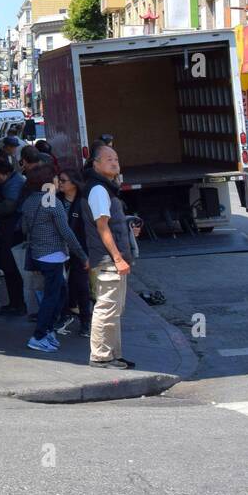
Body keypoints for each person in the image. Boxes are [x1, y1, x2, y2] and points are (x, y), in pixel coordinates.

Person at [21, 163, 89, 353]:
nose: (57, 181)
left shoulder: (29, 201)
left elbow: (25, 229)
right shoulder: (52, 202)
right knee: (53, 297)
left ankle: (48, 331)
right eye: (55, 177)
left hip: (38, 254)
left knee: (58, 294)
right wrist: (83, 256)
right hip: (53, 256)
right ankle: (39, 335)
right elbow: (66, 232)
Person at [83, 145, 137, 369]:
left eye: (116, 158)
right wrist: (117, 258)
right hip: (107, 260)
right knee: (106, 307)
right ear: (95, 164)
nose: (114, 162)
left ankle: (114, 355)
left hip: (111, 259)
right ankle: (101, 356)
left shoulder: (107, 188)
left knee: (115, 308)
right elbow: (102, 227)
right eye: (108, 159)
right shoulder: (98, 189)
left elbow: (111, 225)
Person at [57, 168, 93, 337]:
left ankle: (86, 321)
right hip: (59, 250)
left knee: (81, 286)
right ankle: (65, 315)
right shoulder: (55, 200)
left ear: (74, 183)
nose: (60, 183)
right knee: (61, 285)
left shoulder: (83, 202)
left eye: (63, 180)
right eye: (59, 180)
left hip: (80, 250)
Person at [0, 158, 26, 315]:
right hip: (11, 229)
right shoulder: (14, 181)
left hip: (12, 231)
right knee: (11, 268)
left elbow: (8, 206)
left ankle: (17, 304)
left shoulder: (14, 184)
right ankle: (15, 303)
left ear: (6, 173)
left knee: (12, 268)